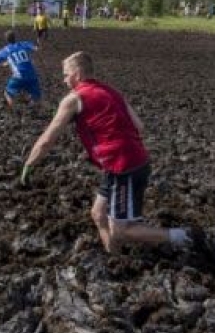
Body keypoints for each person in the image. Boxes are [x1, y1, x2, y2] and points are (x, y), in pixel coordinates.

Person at [21, 51, 198, 254]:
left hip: (123, 167)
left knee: (122, 231)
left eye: (66, 74)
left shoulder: (74, 99)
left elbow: (47, 140)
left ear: (78, 74)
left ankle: (184, 236)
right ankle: (114, 257)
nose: (64, 80)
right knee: (98, 214)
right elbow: (139, 126)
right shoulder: (111, 91)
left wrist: (28, 165)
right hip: (125, 164)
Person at [0, 30, 41, 109]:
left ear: (6, 40)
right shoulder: (24, 44)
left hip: (19, 76)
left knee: (7, 93)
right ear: (15, 38)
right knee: (36, 97)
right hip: (32, 74)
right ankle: (32, 110)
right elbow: (36, 49)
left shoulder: (4, 50)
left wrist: (4, 64)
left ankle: (14, 111)